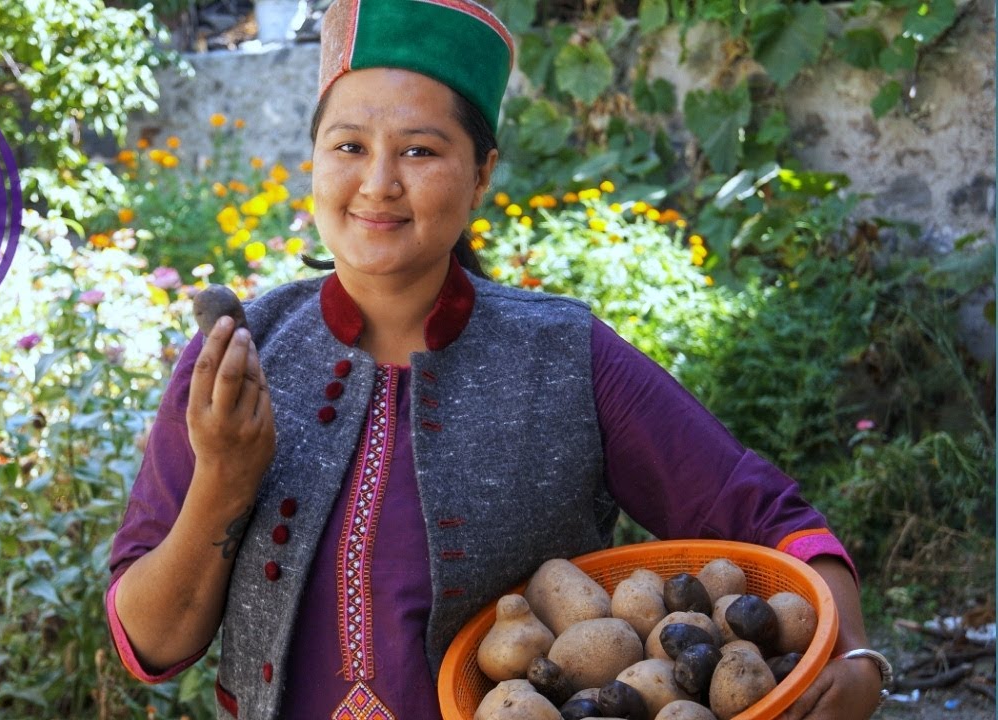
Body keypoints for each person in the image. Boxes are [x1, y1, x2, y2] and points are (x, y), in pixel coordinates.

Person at [106, 0, 890, 717]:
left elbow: (771, 520)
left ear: (481, 174)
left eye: (419, 150)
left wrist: (852, 655)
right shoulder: (241, 358)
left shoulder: (564, 356)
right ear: (315, 158)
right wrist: (222, 480)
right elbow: (152, 644)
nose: (378, 183)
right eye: (348, 145)